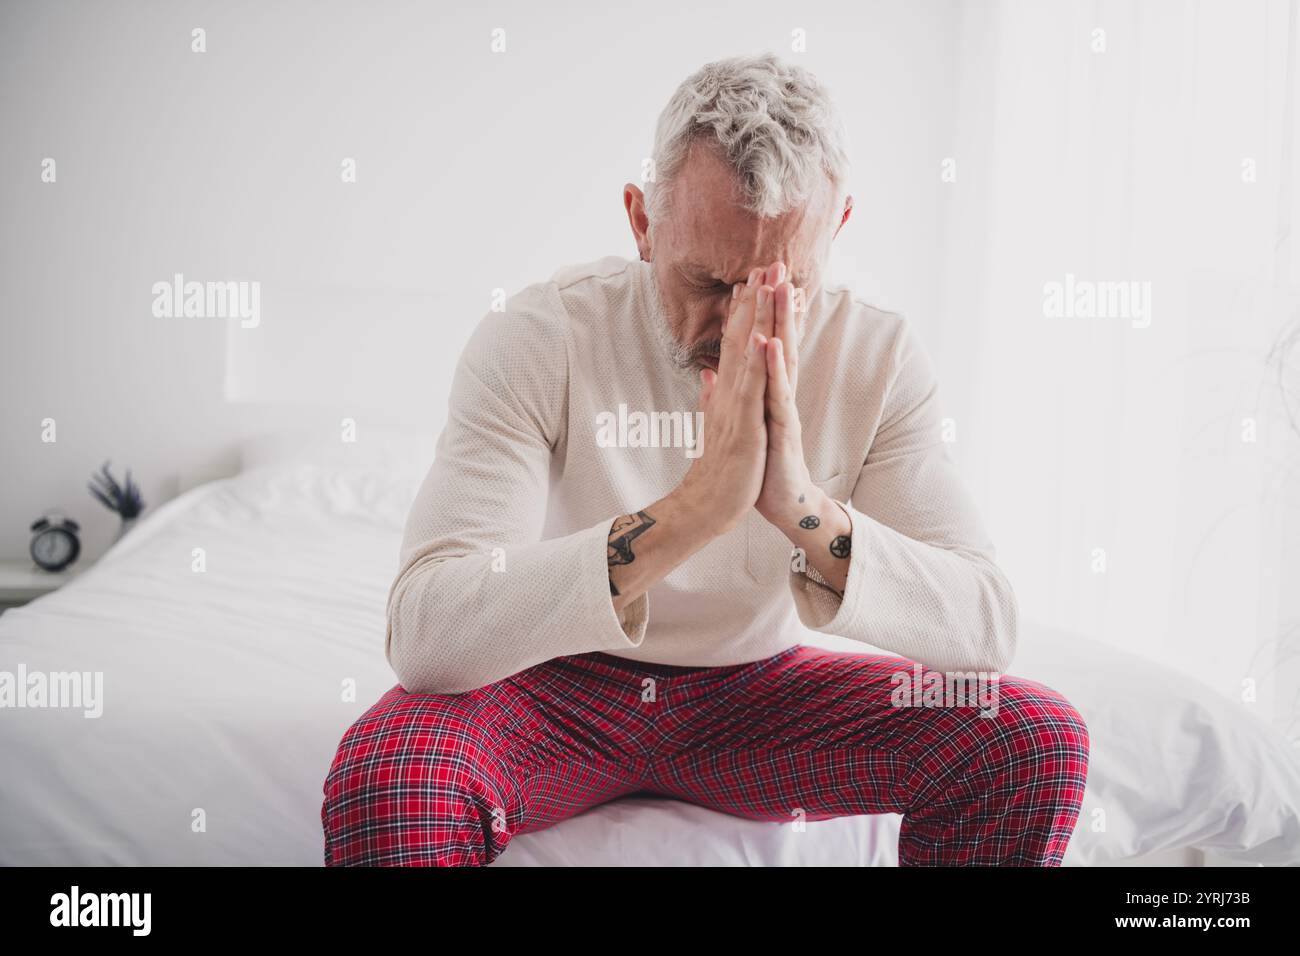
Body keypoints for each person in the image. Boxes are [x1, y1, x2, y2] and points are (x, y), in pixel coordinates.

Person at [322, 52, 1089, 866]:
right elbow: (428, 634)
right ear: (641, 222)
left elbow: (983, 623)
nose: (740, 324)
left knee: (1033, 740)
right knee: (393, 776)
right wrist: (693, 512)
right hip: (550, 688)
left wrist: (797, 502)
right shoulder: (539, 338)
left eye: (783, 284)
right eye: (708, 282)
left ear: (839, 229)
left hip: (756, 698)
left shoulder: (880, 359)